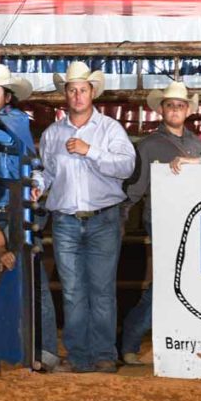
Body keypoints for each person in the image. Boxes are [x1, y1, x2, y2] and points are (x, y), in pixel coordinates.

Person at [31, 62, 136, 373]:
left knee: (101, 290)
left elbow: (126, 167)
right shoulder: (53, 134)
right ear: (65, 94)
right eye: (72, 90)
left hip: (103, 218)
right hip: (66, 219)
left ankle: (103, 354)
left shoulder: (110, 129)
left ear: (92, 93)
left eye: (82, 90)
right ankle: (79, 355)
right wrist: (37, 185)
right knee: (73, 291)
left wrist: (90, 150)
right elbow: (47, 172)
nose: (77, 95)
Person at [0, 63, 60, 373]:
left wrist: (35, 185)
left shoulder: (15, 122)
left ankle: (42, 348)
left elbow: (33, 164)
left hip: (14, 211)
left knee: (31, 280)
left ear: (7, 97)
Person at [120, 81, 201, 365]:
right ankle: (131, 340)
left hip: (194, 221)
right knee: (169, 282)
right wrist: (122, 214)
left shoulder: (198, 145)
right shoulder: (148, 146)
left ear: (188, 110)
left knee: (181, 281)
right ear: (162, 109)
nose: (175, 109)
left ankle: (176, 341)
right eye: (170, 105)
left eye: (180, 105)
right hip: (163, 220)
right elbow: (136, 187)